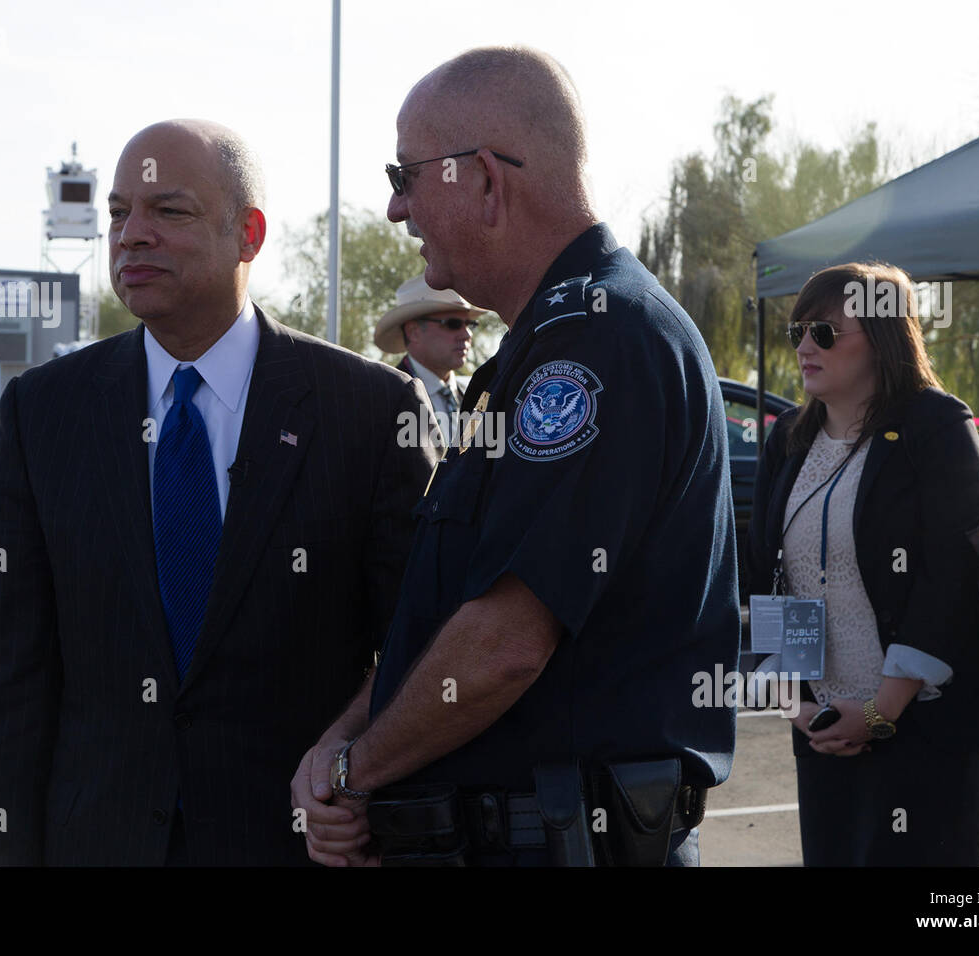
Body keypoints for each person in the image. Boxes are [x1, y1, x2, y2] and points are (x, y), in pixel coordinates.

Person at [291, 47, 740, 867]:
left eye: (407, 176)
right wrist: (347, 736)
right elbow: (449, 618)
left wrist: (355, 774)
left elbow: (503, 646)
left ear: (486, 183)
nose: (397, 209)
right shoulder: (544, 348)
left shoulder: (598, 340)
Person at [0, 119, 437, 866]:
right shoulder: (44, 412)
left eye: (169, 211)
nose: (131, 236)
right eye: (119, 214)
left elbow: (422, 647)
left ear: (247, 233)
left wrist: (355, 779)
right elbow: (13, 682)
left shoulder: (370, 413)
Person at [747, 261, 979, 866]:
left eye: (826, 333)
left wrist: (881, 712)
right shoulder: (788, 437)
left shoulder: (935, 425)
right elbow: (773, 575)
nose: (806, 346)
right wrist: (797, 703)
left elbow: (950, 580)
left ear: (885, 339)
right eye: (798, 332)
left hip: (924, 736)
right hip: (825, 733)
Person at [374, 276, 484, 450]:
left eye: (470, 324)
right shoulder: (383, 401)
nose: (467, 334)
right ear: (413, 332)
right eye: (453, 324)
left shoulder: (478, 398)